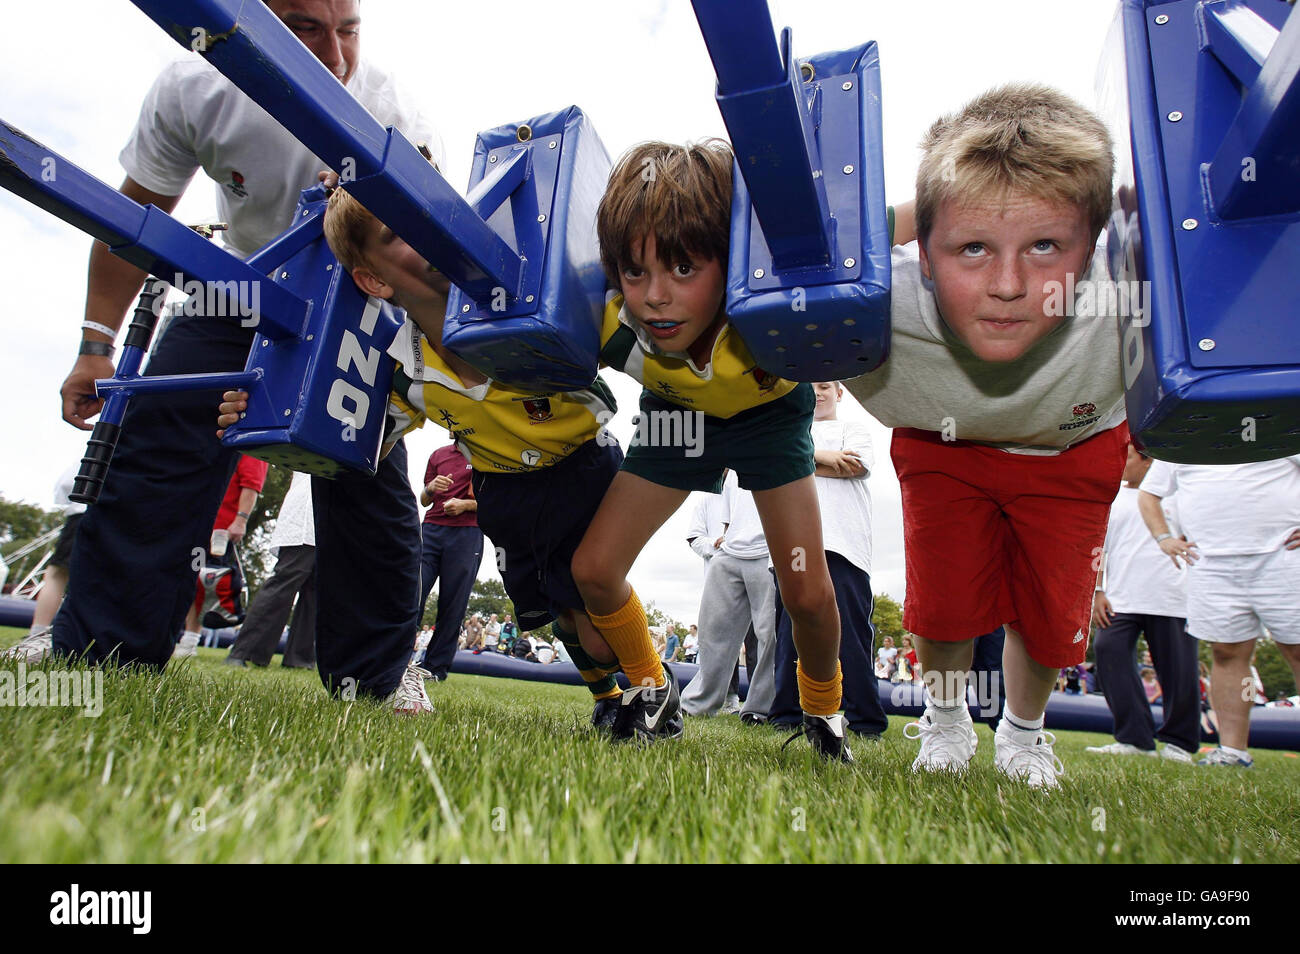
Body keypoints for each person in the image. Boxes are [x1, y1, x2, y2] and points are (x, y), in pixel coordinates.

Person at [51, 0, 441, 714]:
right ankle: (106, 642)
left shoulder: (393, 113)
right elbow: (133, 221)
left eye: (347, 29)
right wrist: (94, 345)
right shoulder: (193, 86)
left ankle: (379, 675)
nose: (335, 56)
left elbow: (421, 256)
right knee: (159, 431)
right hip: (244, 280)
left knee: (363, 461)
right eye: (304, 27)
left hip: (352, 285)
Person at [222, 180, 634, 728]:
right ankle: (609, 700)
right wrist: (259, 411)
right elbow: (348, 442)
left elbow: (634, 337)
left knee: (594, 602)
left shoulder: (522, 293)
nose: (425, 238)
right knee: (558, 609)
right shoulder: (403, 369)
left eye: (425, 220)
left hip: (583, 463)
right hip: (506, 492)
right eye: (397, 235)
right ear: (373, 280)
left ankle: (647, 692)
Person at [844, 84, 1129, 788]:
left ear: (1092, 245)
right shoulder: (889, 294)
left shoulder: (1129, 279)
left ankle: (1024, 734)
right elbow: (795, 252)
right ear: (923, 247)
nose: (1008, 283)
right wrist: (929, 208)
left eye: (1044, 244)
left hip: (1072, 447)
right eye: (973, 246)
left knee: (1051, 608)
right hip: (946, 447)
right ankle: (944, 725)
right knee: (942, 604)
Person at [570, 140, 849, 759]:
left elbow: (884, 231)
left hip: (767, 419)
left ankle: (825, 714)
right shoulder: (613, 322)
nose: (655, 297)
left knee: (806, 590)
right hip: (679, 419)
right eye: (636, 272)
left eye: (684, 269)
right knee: (592, 569)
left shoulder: (775, 307)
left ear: (737, 259)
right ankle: (652, 689)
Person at [1138, 455, 1300, 768]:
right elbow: (1149, 493)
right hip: (1211, 563)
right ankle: (1233, 751)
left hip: (1285, 558)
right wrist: (1164, 538)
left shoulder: (1282, 419)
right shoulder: (1185, 434)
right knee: (1226, 652)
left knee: (1297, 650)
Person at [769, 381, 889, 739]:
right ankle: (786, 714)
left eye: (826, 386)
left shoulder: (855, 429)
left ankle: (865, 719)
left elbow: (852, 466)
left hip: (844, 543)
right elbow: (774, 461)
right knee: (789, 629)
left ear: (839, 393)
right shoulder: (787, 428)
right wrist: (823, 458)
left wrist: (801, 459)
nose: (818, 392)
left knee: (851, 632)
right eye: (811, 387)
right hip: (792, 542)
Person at [1086, 445, 1197, 761]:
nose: (1121, 463)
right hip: (1121, 598)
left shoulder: (1176, 495)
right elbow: (1099, 549)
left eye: (1129, 457)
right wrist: (1097, 591)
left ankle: (1180, 744)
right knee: (1108, 651)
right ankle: (1135, 739)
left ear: (1149, 461)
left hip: (1172, 597)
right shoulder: (1113, 496)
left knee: (1178, 670)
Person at [680, 471, 779, 723]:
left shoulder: (776, 445)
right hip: (730, 552)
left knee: (769, 635)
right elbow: (728, 521)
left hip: (768, 550)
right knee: (713, 631)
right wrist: (724, 543)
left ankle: (759, 709)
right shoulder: (730, 475)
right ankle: (697, 704)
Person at [177, 455, 267, 659]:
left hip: (220, 531)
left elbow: (252, 484)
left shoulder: (251, 448)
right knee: (189, 577)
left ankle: (190, 640)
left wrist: (241, 520)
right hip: (198, 523)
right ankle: (182, 635)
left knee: (204, 583)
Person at [225, 470, 317, 669]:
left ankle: (299, 659)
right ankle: (247, 651)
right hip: (307, 515)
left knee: (316, 592)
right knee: (284, 583)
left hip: (330, 519)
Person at [413, 442, 483, 682]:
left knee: (453, 604)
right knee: (413, 592)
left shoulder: (487, 451)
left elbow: (498, 502)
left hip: (467, 533)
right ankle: (396, 659)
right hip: (431, 530)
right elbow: (423, 500)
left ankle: (434, 668)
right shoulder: (438, 454)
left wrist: (464, 505)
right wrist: (431, 487)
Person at [2, 464, 86, 663]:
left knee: (57, 574)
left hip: (88, 505)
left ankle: (40, 633)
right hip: (105, 508)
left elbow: (69, 481)